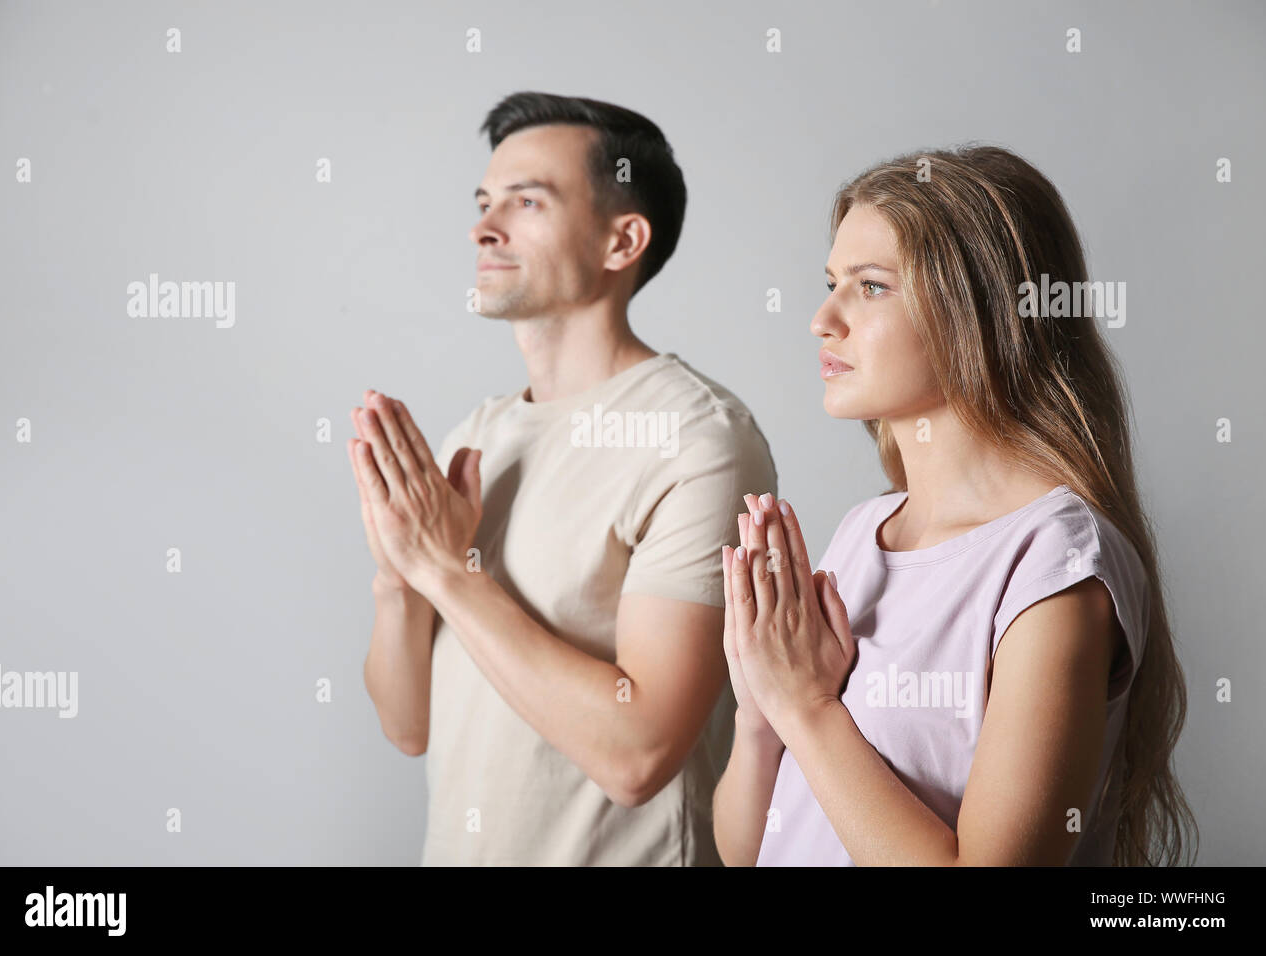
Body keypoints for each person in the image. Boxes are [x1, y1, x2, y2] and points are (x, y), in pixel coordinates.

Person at [712, 145, 1197, 866]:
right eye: (831, 282)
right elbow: (750, 850)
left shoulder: (1055, 565)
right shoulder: (860, 532)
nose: (822, 318)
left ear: (982, 311)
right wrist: (760, 709)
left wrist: (806, 709)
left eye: (871, 286)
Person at [349, 91, 776, 865]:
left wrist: (447, 572)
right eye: (484, 202)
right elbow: (407, 726)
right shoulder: (478, 437)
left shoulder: (699, 438)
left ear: (623, 241)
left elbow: (638, 755)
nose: (485, 226)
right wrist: (398, 576)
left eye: (526, 201)